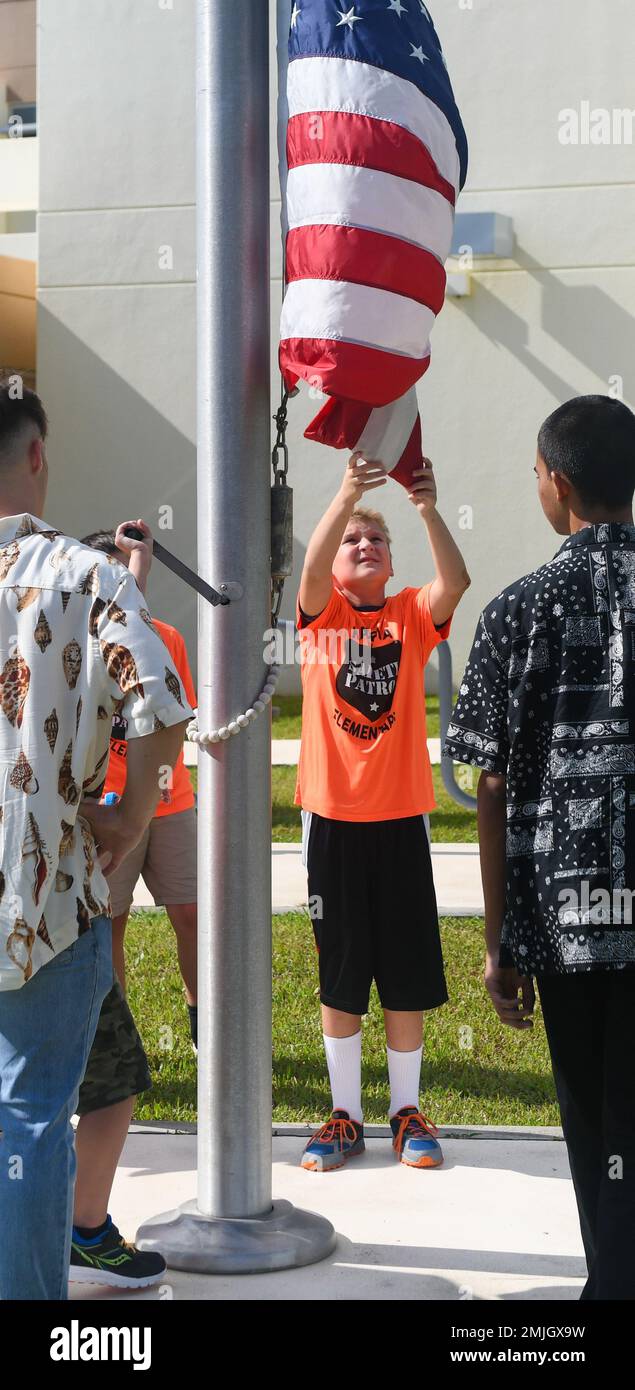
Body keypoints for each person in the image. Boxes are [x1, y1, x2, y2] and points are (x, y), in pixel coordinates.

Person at [0, 380, 193, 1300]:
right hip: (48, 895)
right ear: (36, 455)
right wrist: (133, 817)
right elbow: (159, 705)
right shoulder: (88, 577)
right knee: (31, 1118)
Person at [444, 395, 635, 1301]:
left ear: (555, 485)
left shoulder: (518, 609)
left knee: (595, 1129)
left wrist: (497, 943)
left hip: (568, 928)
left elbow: (488, 783)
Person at [296, 451, 470, 1172]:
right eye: (352, 543)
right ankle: (345, 1114)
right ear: (336, 566)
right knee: (340, 970)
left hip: (400, 820)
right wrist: (346, 497)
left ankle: (405, 1110)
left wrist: (426, 508)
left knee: (404, 967)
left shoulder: (408, 616)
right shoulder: (322, 618)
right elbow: (307, 572)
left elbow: (454, 581)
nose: (364, 547)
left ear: (392, 563)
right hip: (332, 821)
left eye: (376, 541)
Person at [81, 525, 198, 1045]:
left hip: (169, 802)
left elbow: (175, 719)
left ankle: (205, 1031)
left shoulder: (163, 635)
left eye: (122, 571)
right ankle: (118, 1042)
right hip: (106, 804)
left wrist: (141, 569)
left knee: (192, 915)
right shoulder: (75, 641)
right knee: (111, 924)